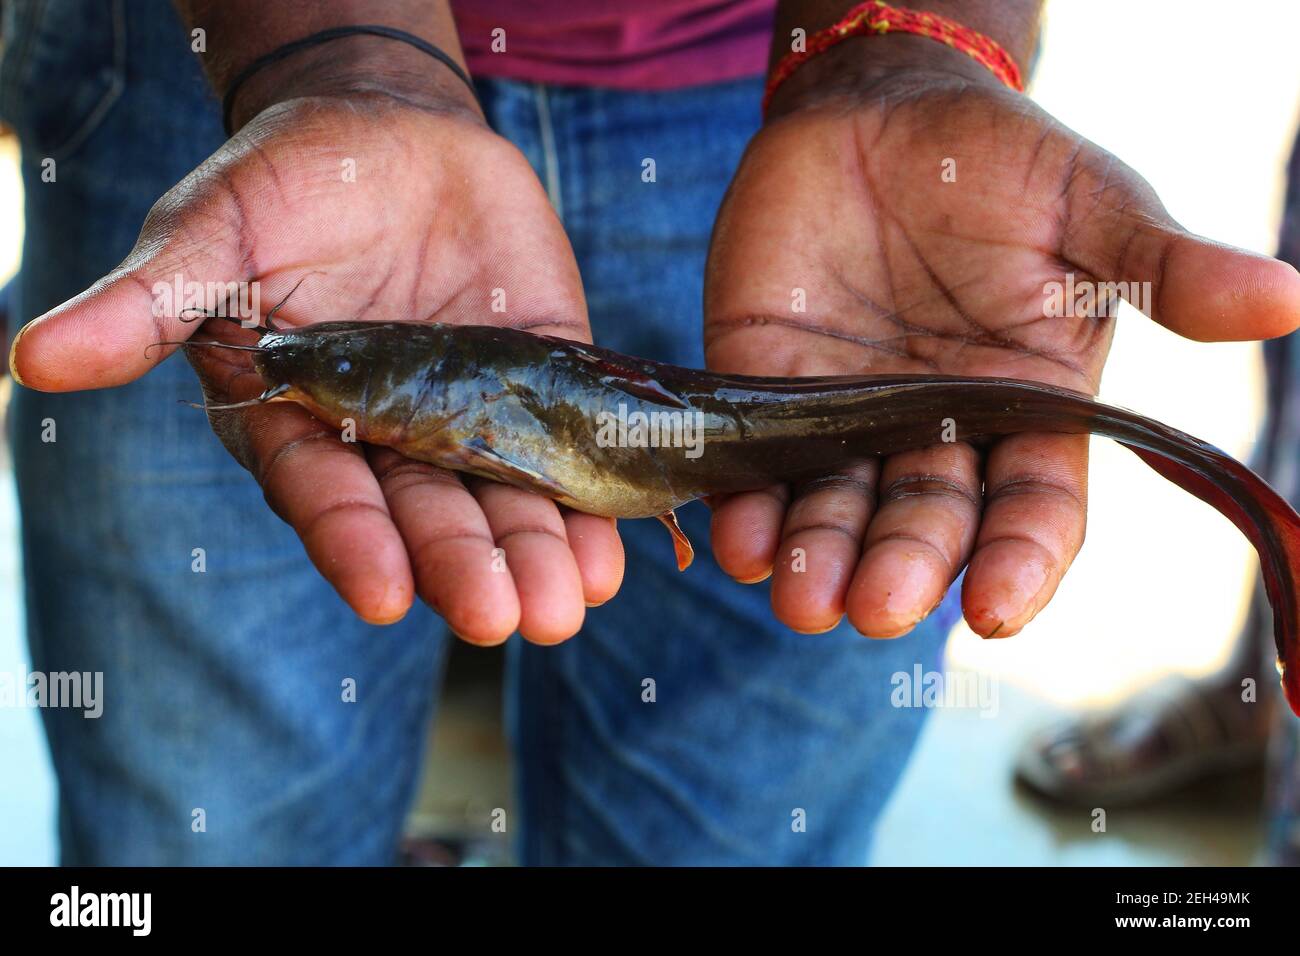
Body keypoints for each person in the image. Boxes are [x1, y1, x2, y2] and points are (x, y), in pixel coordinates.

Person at [4, 0, 1298, 865]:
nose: (297, 368)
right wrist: (333, 57)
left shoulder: (460, 401)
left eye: (334, 366)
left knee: (726, 831)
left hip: (775, 106)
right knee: (211, 827)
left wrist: (899, 47)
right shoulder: (392, 352)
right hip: (224, 50)